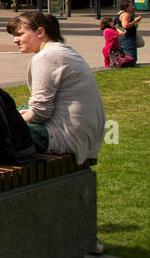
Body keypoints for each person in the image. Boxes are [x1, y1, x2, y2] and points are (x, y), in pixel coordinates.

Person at [6, 11, 106, 163]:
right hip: (84, 139)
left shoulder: (46, 57)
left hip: (63, 139)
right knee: (15, 113)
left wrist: (9, 120)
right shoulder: (65, 51)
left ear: (40, 32)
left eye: (19, 34)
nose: (15, 40)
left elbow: (39, 113)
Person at [117, 0, 142, 64]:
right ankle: (130, 65)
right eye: (131, 6)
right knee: (130, 56)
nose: (133, 7)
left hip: (122, 37)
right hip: (128, 37)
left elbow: (117, 25)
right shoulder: (126, 14)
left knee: (124, 54)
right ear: (126, 7)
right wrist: (135, 21)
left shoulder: (119, 13)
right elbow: (125, 26)